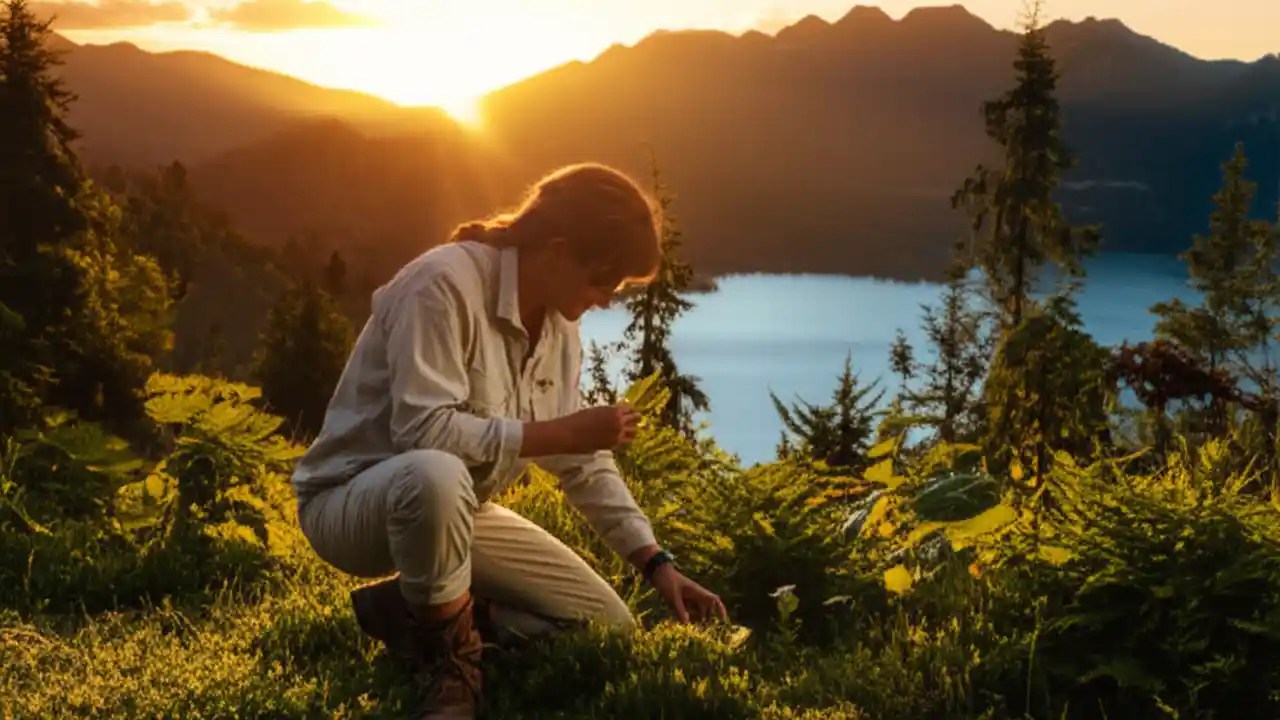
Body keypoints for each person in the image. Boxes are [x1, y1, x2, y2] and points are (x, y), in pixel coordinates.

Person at [291, 162, 728, 719]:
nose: (606, 299)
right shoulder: (443, 285)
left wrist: (657, 563)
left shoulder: (560, 330)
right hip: (352, 504)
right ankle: (448, 672)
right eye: (603, 280)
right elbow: (422, 431)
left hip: (456, 514)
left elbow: (584, 467)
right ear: (558, 248)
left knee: (606, 626)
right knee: (435, 472)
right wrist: (561, 432)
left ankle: (418, 612)